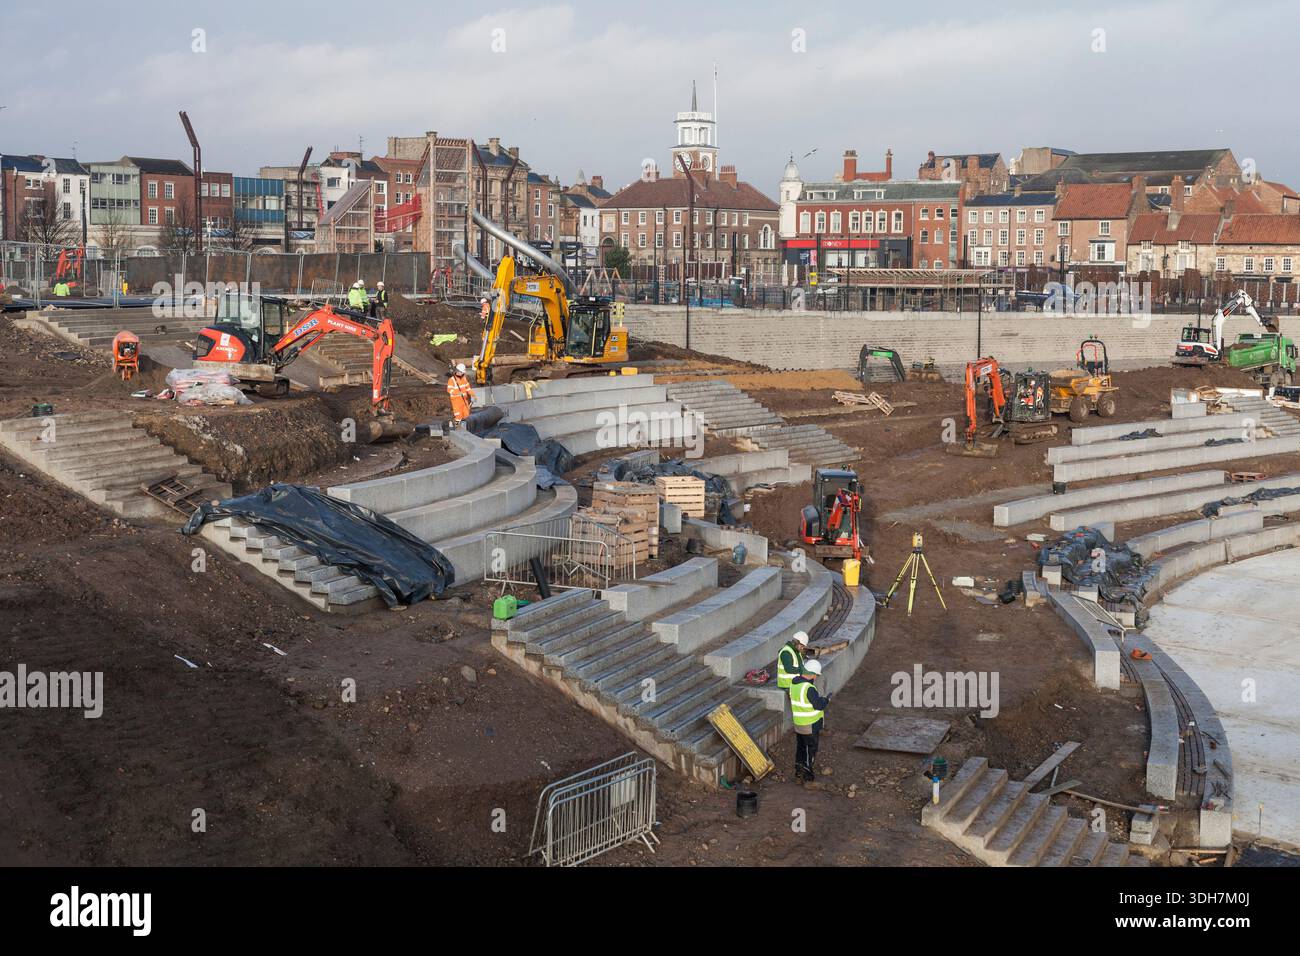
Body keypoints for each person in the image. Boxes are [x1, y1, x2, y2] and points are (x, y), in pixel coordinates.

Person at [789, 658, 830, 785]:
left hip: (799, 724)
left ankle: (798, 772)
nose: (816, 678)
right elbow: (818, 705)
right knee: (810, 750)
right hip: (810, 725)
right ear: (812, 674)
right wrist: (826, 700)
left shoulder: (794, 684)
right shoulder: (808, 688)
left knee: (801, 748)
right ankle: (808, 776)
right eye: (816, 675)